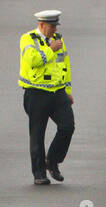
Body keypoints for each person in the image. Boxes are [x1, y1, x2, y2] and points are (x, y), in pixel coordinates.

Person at [18, 9, 74, 185]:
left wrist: (67, 90)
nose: (54, 30)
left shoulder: (58, 40)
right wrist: (50, 49)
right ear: (41, 25)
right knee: (37, 133)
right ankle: (39, 173)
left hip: (57, 93)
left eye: (55, 26)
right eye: (51, 26)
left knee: (67, 127)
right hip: (36, 93)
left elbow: (63, 64)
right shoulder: (28, 39)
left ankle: (53, 160)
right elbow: (33, 61)